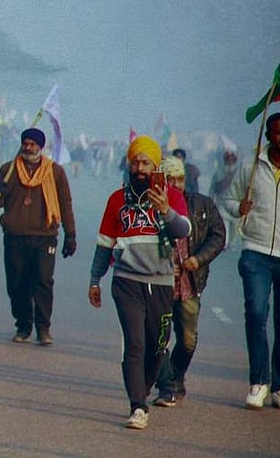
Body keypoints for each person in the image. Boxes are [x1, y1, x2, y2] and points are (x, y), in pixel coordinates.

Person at [88, 135, 191, 430]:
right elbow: (104, 244)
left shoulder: (172, 196)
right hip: (126, 281)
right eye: (135, 162)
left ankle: (142, 388)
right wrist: (95, 280)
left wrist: (165, 210)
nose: (140, 168)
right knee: (134, 343)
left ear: (156, 166)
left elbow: (183, 230)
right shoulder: (117, 199)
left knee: (157, 346)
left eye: (146, 162)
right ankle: (137, 406)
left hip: (161, 282)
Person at [0, 127, 77, 346]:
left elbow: (65, 203)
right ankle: (23, 326)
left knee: (43, 281)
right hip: (15, 236)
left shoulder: (55, 172)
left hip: (45, 236)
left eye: (32, 144)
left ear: (41, 147)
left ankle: (43, 328)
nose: (28, 148)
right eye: (25, 144)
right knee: (17, 283)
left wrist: (70, 234)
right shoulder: (8, 170)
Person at [153, 155, 226, 407]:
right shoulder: (150, 207)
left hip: (189, 283)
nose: (175, 184)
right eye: (170, 179)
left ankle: (176, 375)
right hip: (159, 284)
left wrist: (198, 259)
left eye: (179, 179)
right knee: (158, 339)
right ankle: (167, 385)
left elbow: (218, 236)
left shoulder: (202, 204)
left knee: (187, 340)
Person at [222, 111, 280, 410]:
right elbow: (228, 200)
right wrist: (239, 208)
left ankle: (279, 386)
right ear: (268, 136)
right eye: (279, 132)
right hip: (255, 251)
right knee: (257, 314)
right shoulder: (251, 167)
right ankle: (258, 382)